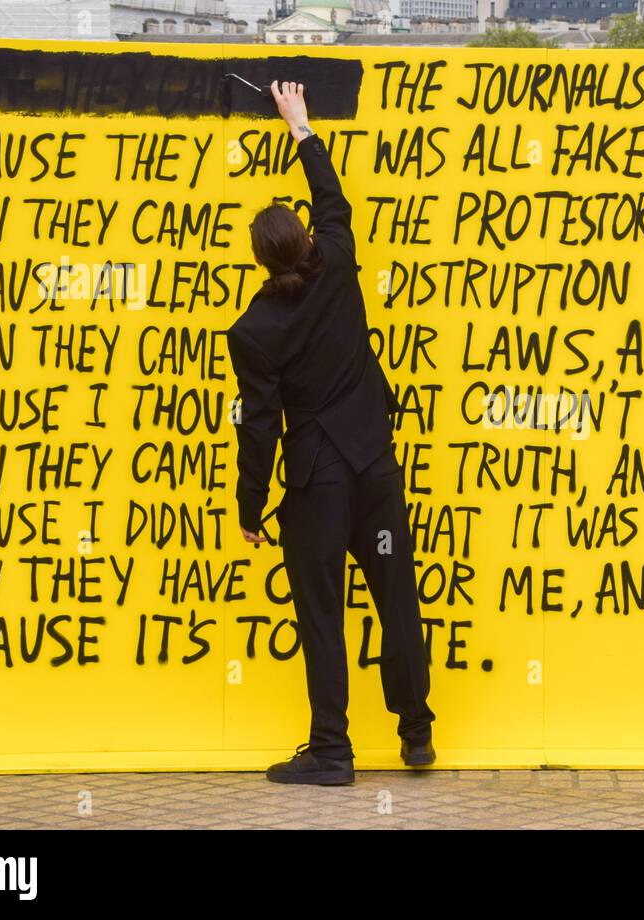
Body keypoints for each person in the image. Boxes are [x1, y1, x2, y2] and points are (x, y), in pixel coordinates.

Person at [227, 80, 436, 786]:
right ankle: (415, 733)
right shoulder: (338, 263)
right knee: (395, 593)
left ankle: (332, 752)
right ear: (307, 240)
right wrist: (301, 127)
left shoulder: (254, 330)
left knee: (323, 614)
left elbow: (258, 428)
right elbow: (335, 203)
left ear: (263, 259)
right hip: (373, 468)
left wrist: (250, 509)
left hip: (317, 486)